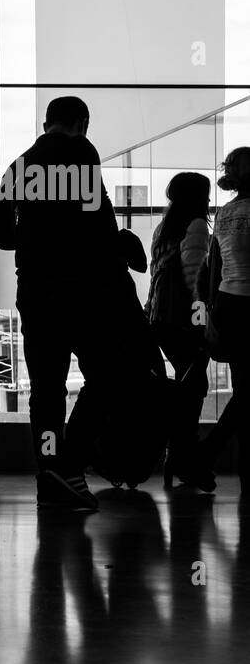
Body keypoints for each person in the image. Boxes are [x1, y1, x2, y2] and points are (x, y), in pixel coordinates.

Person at [0, 96, 139, 510]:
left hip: (36, 292)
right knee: (106, 375)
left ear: (45, 123)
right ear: (82, 123)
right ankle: (71, 462)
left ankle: (50, 471)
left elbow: (5, 239)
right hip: (84, 290)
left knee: (45, 387)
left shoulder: (17, 168)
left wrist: (39, 241)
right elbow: (98, 216)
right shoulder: (82, 151)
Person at [144, 172, 215, 489]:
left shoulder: (163, 227)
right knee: (194, 386)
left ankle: (179, 456)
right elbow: (194, 276)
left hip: (160, 315)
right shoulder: (197, 225)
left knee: (189, 386)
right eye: (206, 194)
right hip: (183, 317)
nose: (210, 199)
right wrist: (203, 321)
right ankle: (183, 458)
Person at [204, 147, 250, 483]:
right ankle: (206, 453)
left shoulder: (224, 212)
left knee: (244, 389)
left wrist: (210, 311)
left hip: (228, 303)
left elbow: (214, 267)